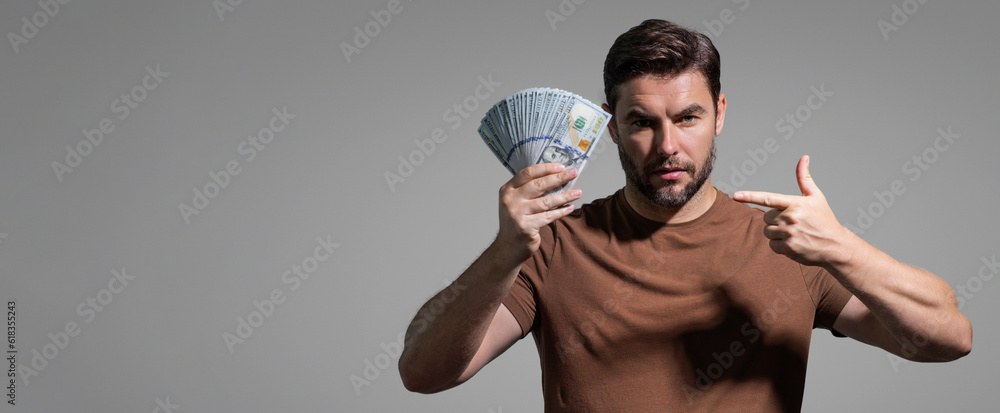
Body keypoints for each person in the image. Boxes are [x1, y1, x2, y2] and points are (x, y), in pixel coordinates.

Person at [398, 19, 972, 412]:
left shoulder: (791, 243)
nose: (668, 146)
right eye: (642, 122)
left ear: (719, 113)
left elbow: (949, 339)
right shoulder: (553, 244)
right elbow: (423, 374)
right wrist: (503, 252)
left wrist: (841, 247)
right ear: (610, 126)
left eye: (688, 118)